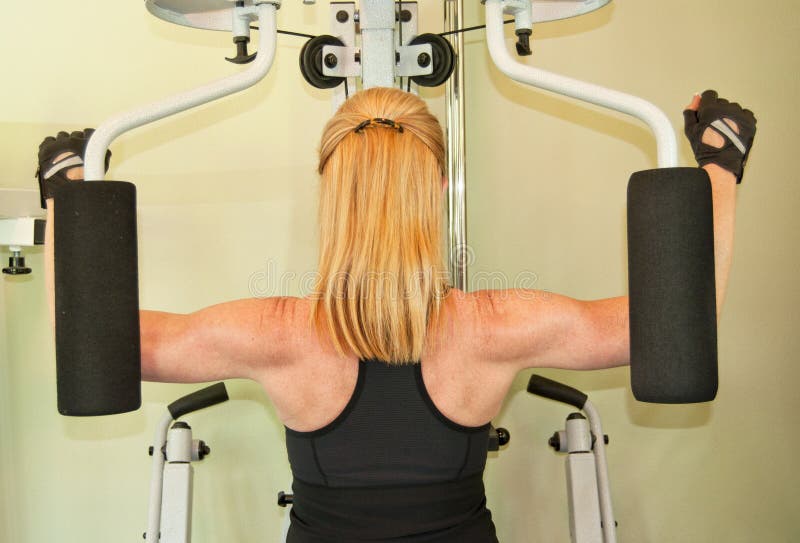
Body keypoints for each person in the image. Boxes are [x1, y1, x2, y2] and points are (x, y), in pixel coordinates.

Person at [38, 88, 756, 542]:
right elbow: (674, 319)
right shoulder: (492, 325)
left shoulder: (280, 334)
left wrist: (64, 200)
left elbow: (95, 342)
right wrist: (720, 168)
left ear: (329, 188)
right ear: (438, 187)